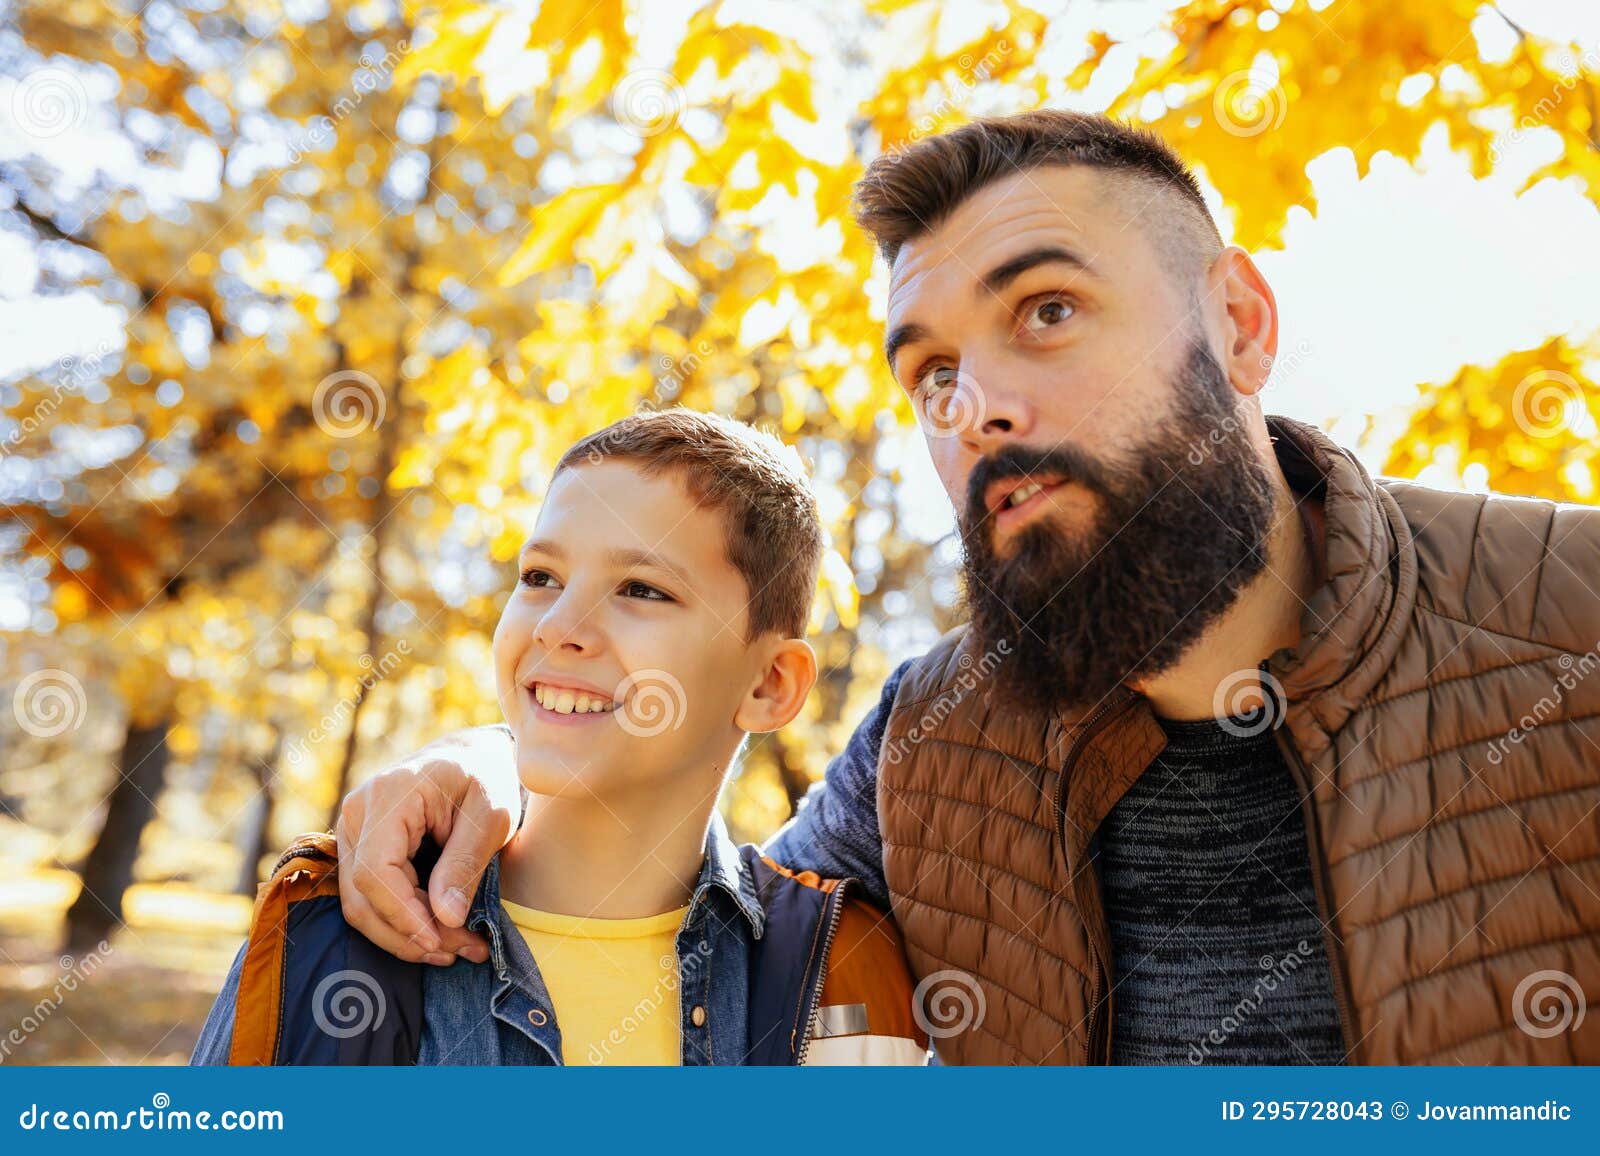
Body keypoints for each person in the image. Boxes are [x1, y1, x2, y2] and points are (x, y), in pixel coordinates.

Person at [333, 111, 1600, 1064]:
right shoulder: (930, 748)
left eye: (1046, 309)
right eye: (930, 372)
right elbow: (709, 912)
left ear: (1239, 324)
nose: (975, 406)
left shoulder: (1570, 624)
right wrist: (489, 768)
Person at [191, 409, 927, 1066]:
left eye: (642, 590)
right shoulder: (328, 930)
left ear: (769, 684)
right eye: (541, 576)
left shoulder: (841, 971)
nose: (556, 627)